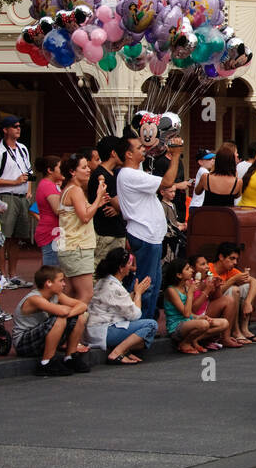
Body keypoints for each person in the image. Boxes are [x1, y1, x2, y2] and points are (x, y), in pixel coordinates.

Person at [113, 132, 183, 324]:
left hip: (150, 236)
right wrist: (175, 155)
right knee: (146, 285)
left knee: (154, 283)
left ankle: (147, 327)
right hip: (145, 235)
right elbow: (167, 183)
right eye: (138, 147)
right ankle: (140, 327)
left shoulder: (135, 172)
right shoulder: (129, 174)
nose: (143, 148)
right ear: (127, 154)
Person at [12, 265, 90, 375]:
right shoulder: (35, 298)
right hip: (23, 343)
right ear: (48, 283)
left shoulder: (56, 295)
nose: (64, 284)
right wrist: (66, 312)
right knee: (59, 319)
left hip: (42, 338)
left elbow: (82, 305)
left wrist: (70, 313)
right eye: (61, 281)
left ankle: (70, 357)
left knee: (80, 316)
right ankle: (46, 362)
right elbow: (61, 312)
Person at [87, 247, 157, 365]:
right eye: (129, 263)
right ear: (121, 268)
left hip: (95, 331)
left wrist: (135, 293)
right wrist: (138, 294)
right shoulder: (114, 287)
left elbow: (121, 302)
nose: (131, 266)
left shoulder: (104, 281)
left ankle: (124, 350)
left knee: (143, 337)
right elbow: (136, 315)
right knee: (151, 325)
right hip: (103, 331)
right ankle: (117, 352)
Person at [0, 116, 33, 288]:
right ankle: (2, 275)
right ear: (5, 130)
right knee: (3, 237)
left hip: (21, 198)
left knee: (17, 238)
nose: (18, 129)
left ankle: (13, 274)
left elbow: (29, 172)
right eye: (14, 126)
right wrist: (15, 182)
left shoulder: (23, 149)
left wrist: (28, 190)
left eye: (19, 126)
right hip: (6, 196)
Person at [57, 153, 108, 303]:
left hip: (70, 247)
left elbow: (80, 213)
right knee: (86, 295)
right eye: (84, 167)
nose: (88, 170)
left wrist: (97, 204)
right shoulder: (75, 190)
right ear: (72, 171)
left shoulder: (69, 188)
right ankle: (75, 325)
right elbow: (85, 217)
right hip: (78, 247)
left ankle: (64, 324)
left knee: (70, 293)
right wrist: (99, 196)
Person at [161, 257, 232, 354]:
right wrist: (190, 294)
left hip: (189, 322)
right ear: (179, 275)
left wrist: (200, 317)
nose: (191, 270)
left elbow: (190, 313)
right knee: (203, 324)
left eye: (190, 268)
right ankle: (185, 343)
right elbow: (186, 314)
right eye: (187, 269)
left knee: (224, 323)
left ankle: (193, 340)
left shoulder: (186, 286)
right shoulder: (171, 290)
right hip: (176, 327)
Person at [210, 242, 256, 342]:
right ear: (221, 257)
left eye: (236, 259)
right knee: (234, 290)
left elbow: (255, 283)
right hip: (212, 307)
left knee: (247, 287)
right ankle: (235, 331)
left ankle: (244, 329)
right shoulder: (210, 269)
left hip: (226, 306)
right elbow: (213, 294)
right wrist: (233, 280)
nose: (235, 262)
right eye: (232, 258)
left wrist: (248, 302)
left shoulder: (231, 270)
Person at [90, 136, 127, 269]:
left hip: (117, 231)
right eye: (122, 150)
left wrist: (117, 208)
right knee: (99, 268)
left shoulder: (115, 173)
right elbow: (120, 203)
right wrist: (120, 207)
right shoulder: (101, 175)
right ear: (113, 153)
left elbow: (120, 203)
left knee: (116, 271)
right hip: (105, 233)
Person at [33, 155, 63, 267]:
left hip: (54, 231)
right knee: (52, 270)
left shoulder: (50, 185)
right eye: (60, 168)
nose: (63, 170)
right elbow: (58, 210)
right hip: (51, 232)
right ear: (50, 170)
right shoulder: (48, 185)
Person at [188, 148, 214, 220]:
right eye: (209, 159)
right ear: (200, 162)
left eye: (212, 158)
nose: (212, 160)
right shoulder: (203, 171)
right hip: (198, 206)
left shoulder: (204, 171)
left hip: (198, 206)